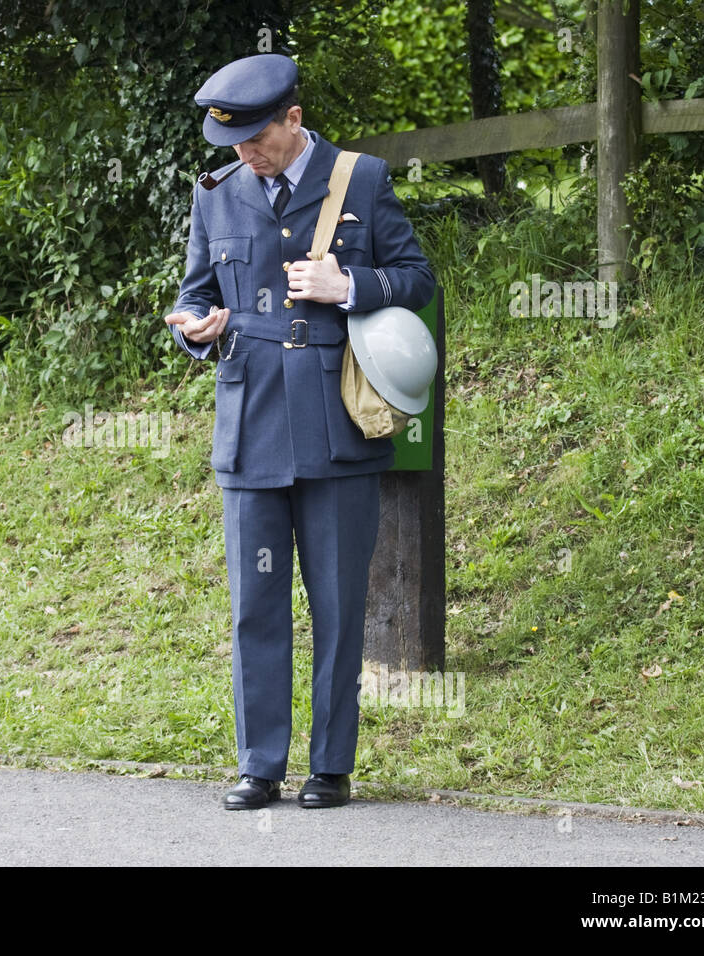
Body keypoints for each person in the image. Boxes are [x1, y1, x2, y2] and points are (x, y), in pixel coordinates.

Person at [164, 53, 435, 809]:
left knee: (340, 603)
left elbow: (417, 278)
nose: (245, 154)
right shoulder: (216, 195)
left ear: (293, 117)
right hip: (250, 425)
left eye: (258, 137)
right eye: (234, 142)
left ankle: (331, 766)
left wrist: (349, 287)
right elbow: (191, 299)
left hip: (335, 430)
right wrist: (195, 328)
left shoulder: (362, 180)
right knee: (255, 603)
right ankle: (259, 765)